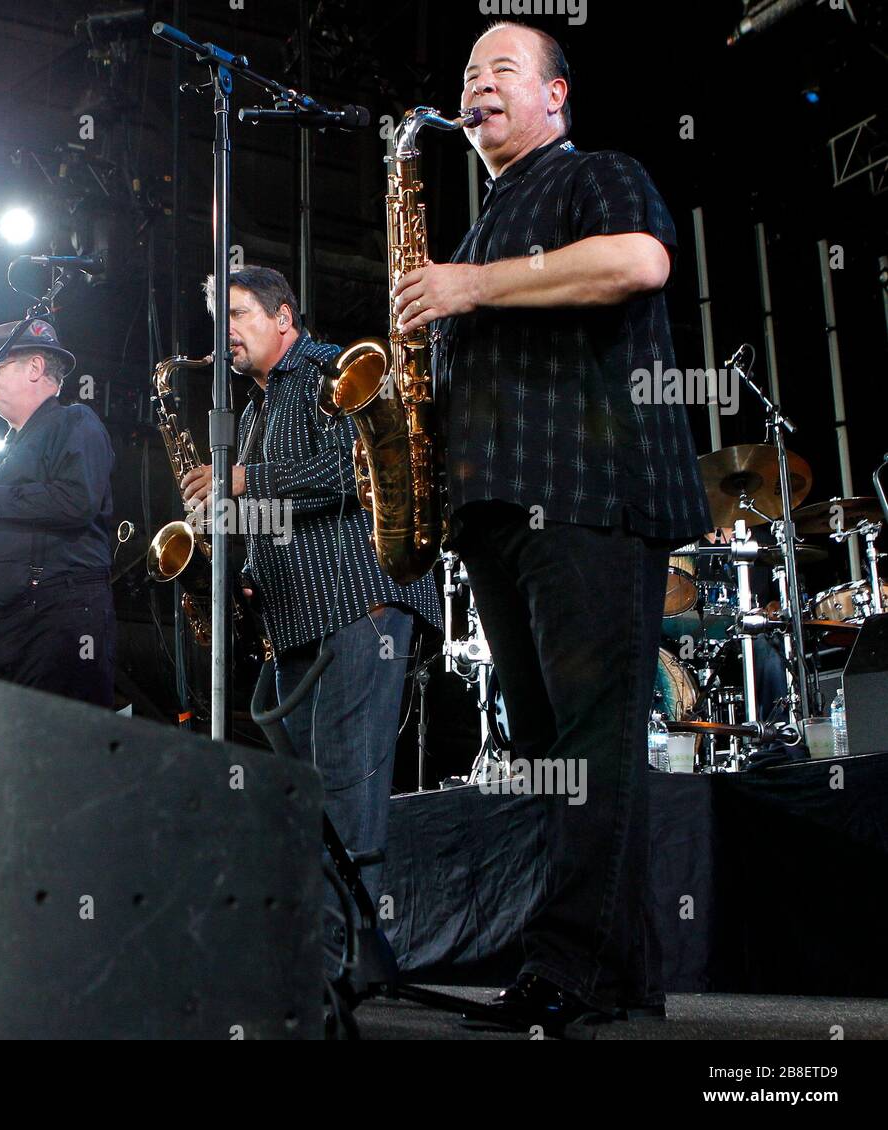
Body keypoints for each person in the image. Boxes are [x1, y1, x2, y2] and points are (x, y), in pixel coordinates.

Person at [391, 21, 712, 1031]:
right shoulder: (486, 220)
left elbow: (639, 261)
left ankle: (565, 963)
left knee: (585, 741)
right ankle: (620, 977)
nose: (475, 87)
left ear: (555, 96)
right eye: (466, 74)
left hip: (589, 496)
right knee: (553, 751)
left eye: (499, 71)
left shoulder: (595, 173)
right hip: (498, 511)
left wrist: (468, 286)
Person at [182, 265, 442, 905]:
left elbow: (352, 468)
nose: (229, 334)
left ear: (283, 318)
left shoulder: (335, 370)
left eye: (240, 316)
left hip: (358, 604)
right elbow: (280, 516)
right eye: (223, 322)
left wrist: (243, 481)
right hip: (296, 617)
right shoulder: (255, 410)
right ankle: (323, 951)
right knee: (308, 798)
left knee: (344, 791)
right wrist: (243, 573)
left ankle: (342, 962)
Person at [0, 319, 116, 707]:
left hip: (57, 620)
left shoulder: (75, 421)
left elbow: (77, 500)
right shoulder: (3, 452)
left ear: (34, 369)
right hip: (2, 628)